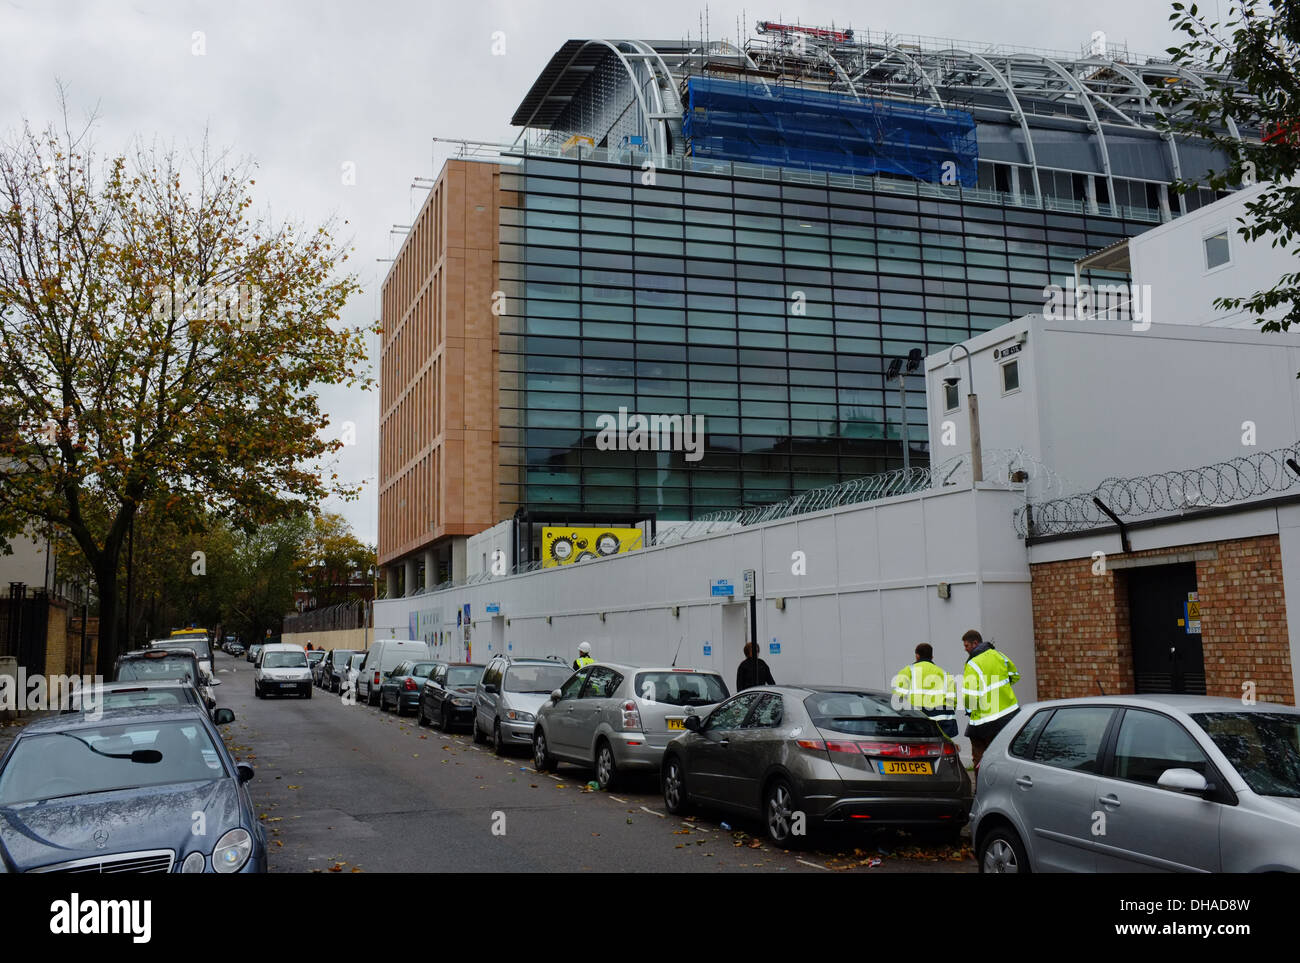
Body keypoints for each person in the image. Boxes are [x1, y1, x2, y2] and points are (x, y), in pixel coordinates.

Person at [960, 629, 1020, 774]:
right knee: (1008, 756)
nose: (965, 648)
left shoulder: (973, 664)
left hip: (984, 721)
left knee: (980, 758)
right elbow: (1014, 675)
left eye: (966, 645)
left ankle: (981, 791)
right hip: (1009, 716)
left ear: (975, 643)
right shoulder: (1000, 655)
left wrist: (969, 709)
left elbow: (969, 695)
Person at [891, 643, 958, 740]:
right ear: (932, 657)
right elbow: (952, 700)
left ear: (917, 655)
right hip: (941, 722)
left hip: (916, 722)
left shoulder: (908, 671)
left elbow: (898, 699)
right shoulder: (944, 674)